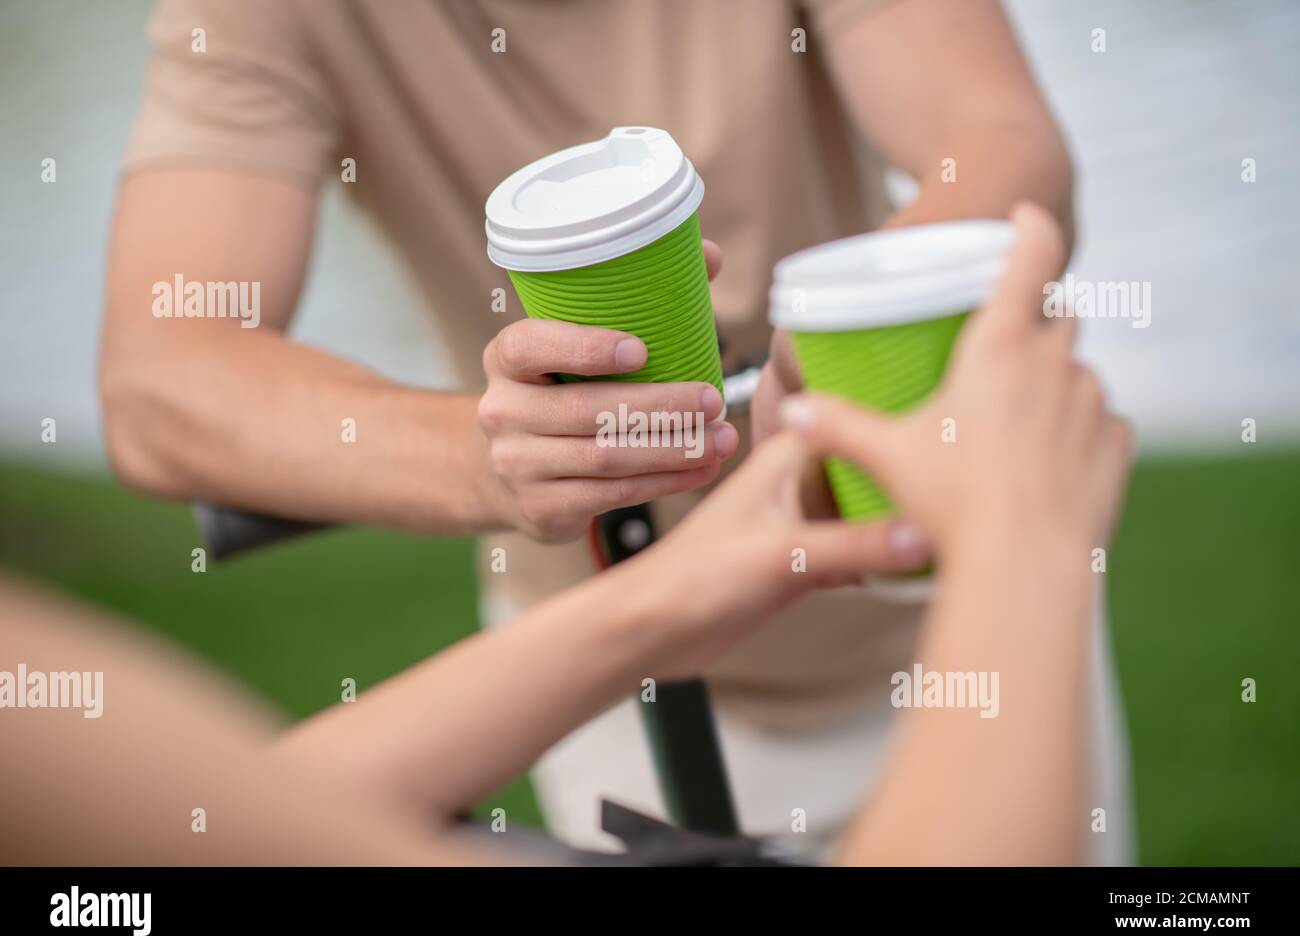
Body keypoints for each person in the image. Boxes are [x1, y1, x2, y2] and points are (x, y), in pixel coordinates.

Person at [99, 0, 1131, 858]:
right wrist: (490, 455)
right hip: (605, 675)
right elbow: (158, 378)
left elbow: (997, 139)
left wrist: (839, 336)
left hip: (958, 611)